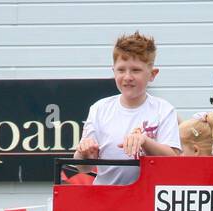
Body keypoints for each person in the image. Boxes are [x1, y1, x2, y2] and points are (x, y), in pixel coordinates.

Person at [75, 31, 181, 185]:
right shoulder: (99, 109)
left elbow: (173, 160)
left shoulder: (164, 110)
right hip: (105, 200)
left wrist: (145, 141)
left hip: (147, 201)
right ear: (113, 71)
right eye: (121, 70)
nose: (127, 77)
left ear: (152, 74)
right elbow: (83, 167)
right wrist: (83, 152)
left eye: (136, 70)